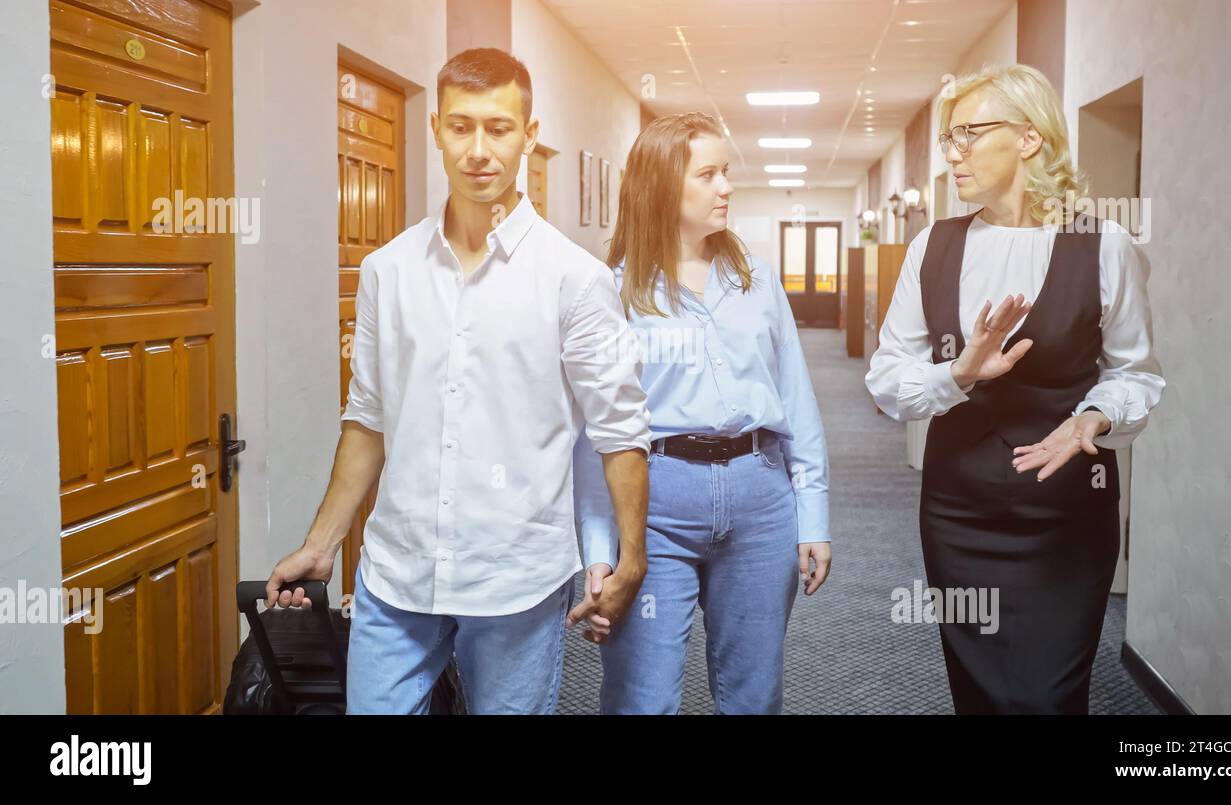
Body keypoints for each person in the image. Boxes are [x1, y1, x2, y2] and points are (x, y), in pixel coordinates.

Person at [264, 47, 652, 714]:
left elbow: (620, 433)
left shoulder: (574, 278)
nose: (479, 149)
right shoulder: (388, 270)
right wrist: (322, 544)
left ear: (529, 136)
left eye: (499, 128)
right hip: (397, 571)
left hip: (516, 578)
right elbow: (368, 419)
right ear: (437, 128)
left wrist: (631, 557)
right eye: (461, 126)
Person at [866, 63, 1165, 714]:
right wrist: (960, 372)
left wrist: (1096, 416)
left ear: (1030, 138)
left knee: (1048, 698)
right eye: (949, 137)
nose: (952, 153)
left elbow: (1136, 371)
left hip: (1065, 520)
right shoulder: (931, 247)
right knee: (980, 696)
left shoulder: (1102, 244)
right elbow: (888, 381)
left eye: (969, 133)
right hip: (958, 514)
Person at [570, 112, 831, 714]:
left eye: (727, 172)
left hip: (761, 501)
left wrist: (812, 514)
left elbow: (797, 405)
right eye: (708, 174)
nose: (726, 187)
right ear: (662, 186)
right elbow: (595, 438)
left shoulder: (757, 281)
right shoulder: (611, 292)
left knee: (753, 696)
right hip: (653, 506)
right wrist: (599, 552)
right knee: (642, 697)